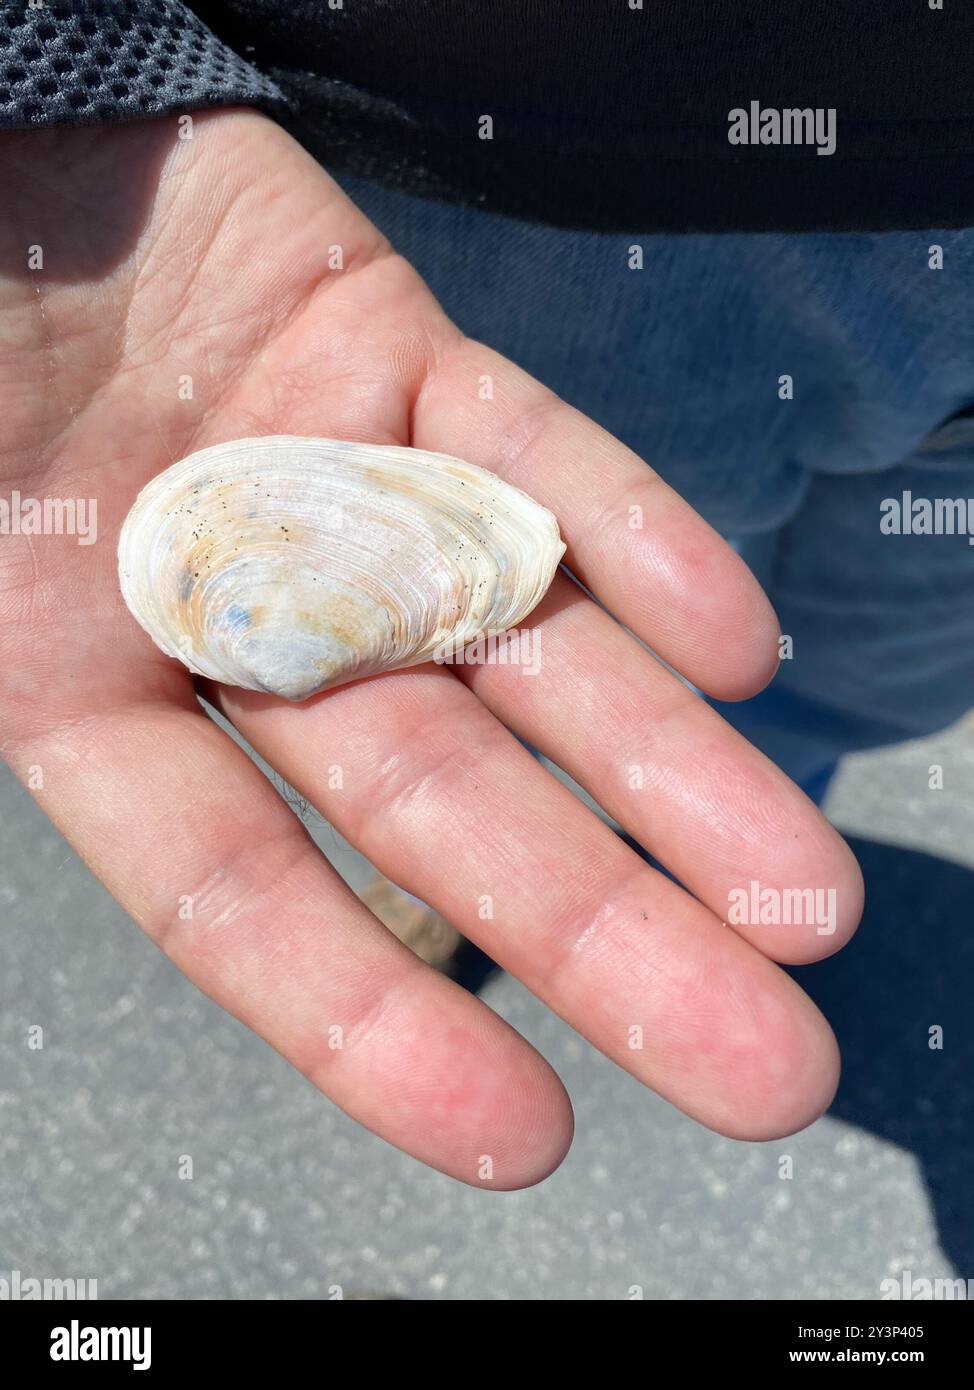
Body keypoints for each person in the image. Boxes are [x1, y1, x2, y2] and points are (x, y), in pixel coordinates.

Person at [2, 3, 969, 1190]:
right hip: (534, 157)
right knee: (627, 638)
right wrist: (36, 80)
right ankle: (512, 875)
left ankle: (720, 859)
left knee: (861, 678)